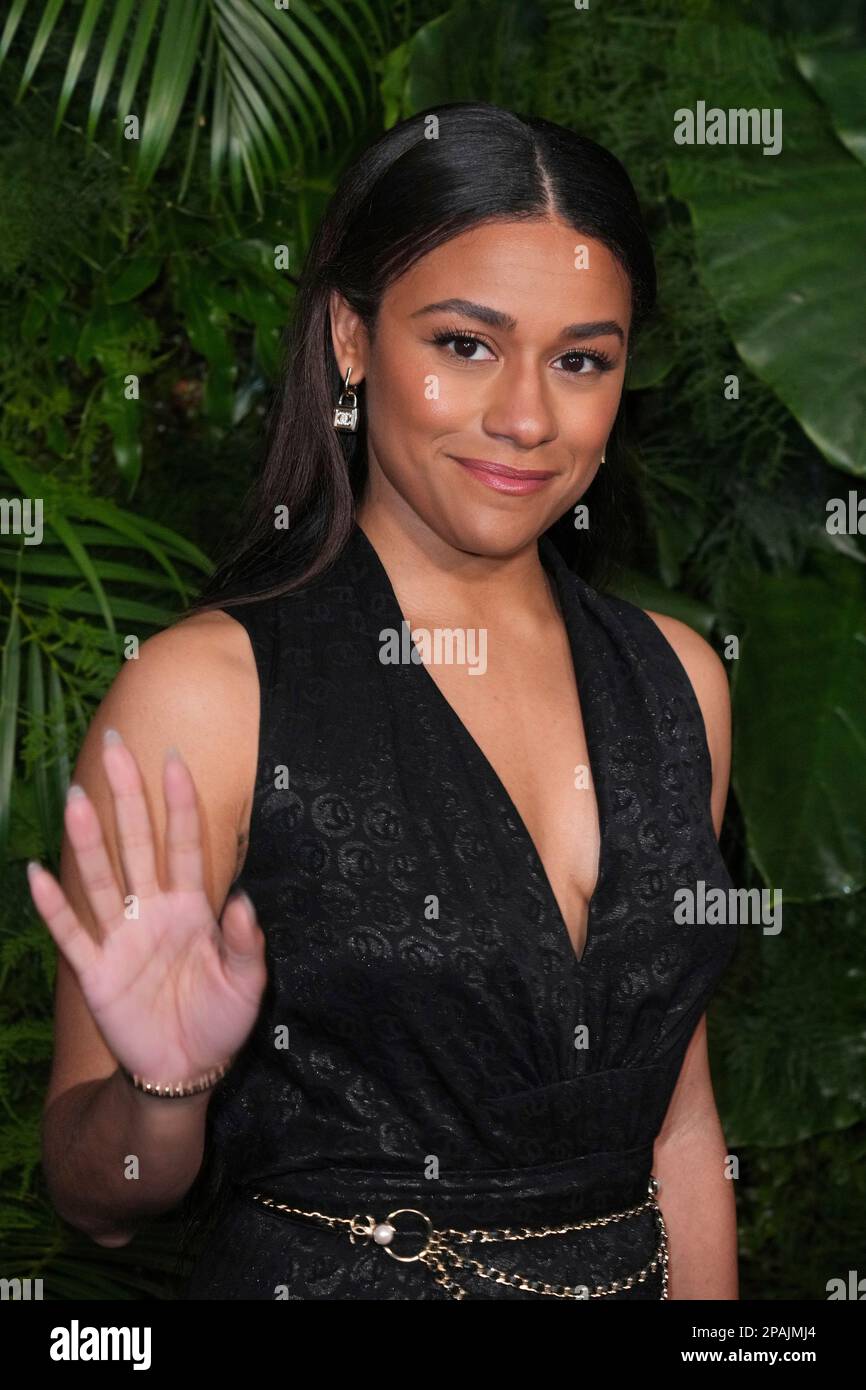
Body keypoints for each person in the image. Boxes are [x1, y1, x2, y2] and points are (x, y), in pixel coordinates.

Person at [32, 103, 739, 1301]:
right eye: (465, 343)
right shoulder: (205, 695)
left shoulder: (678, 680)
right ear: (352, 340)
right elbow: (98, 1198)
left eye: (580, 359)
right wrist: (166, 1088)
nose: (525, 415)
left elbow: (677, 1128)